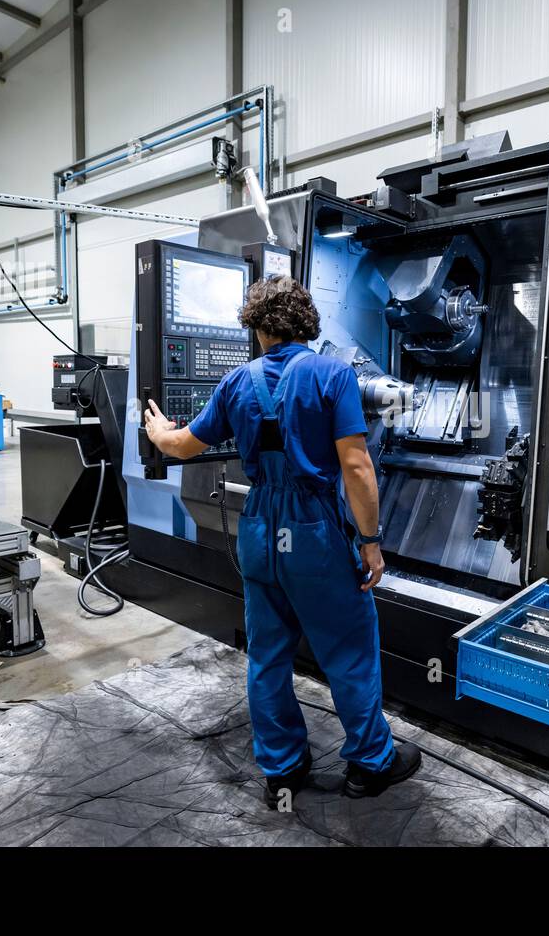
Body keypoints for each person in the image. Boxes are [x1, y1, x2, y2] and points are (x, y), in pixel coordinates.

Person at [142, 275, 421, 807]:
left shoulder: (235, 382)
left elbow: (181, 445)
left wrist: (157, 433)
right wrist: (370, 542)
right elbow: (357, 466)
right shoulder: (332, 375)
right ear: (305, 324)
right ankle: (369, 763)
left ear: (256, 328)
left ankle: (282, 768)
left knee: (267, 654)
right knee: (348, 649)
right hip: (313, 530)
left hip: (260, 525)